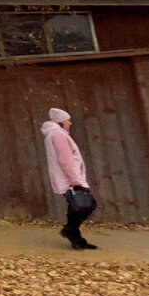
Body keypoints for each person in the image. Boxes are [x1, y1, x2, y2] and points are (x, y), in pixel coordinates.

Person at [41, 107, 98, 250]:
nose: (70, 123)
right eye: (67, 120)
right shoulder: (58, 135)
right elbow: (65, 159)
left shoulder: (54, 134)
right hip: (69, 178)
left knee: (77, 206)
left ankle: (75, 235)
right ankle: (71, 231)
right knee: (86, 205)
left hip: (66, 177)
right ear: (60, 122)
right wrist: (75, 179)